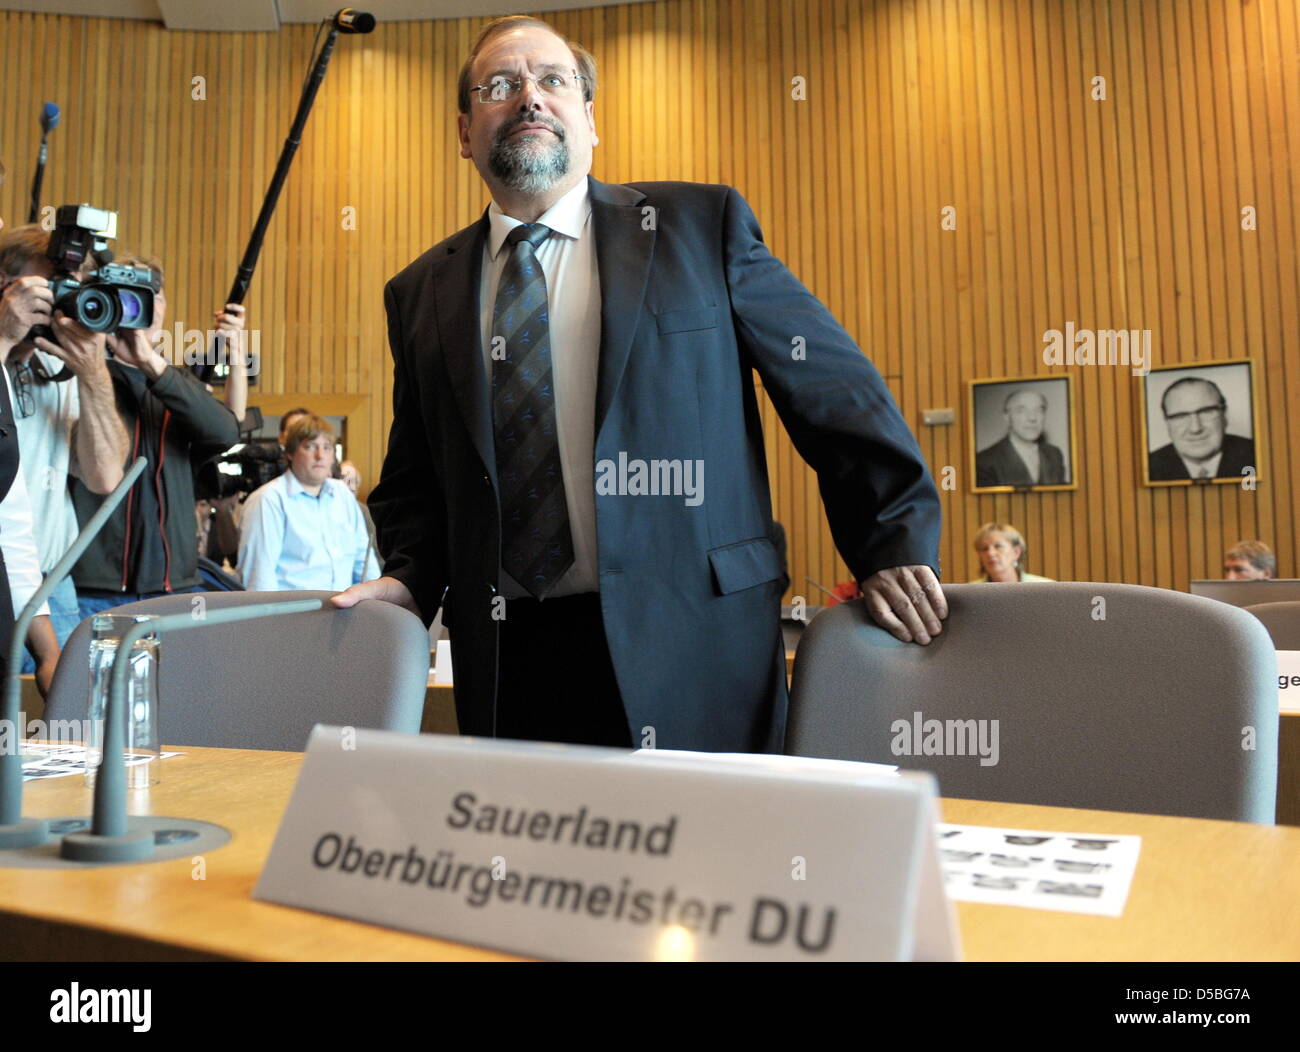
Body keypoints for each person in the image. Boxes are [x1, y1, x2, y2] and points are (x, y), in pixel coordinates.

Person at [335, 15, 946, 752]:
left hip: (698, 640)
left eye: (552, 80)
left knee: (715, 862)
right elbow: (419, 482)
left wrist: (891, 542)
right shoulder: (420, 293)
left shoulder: (698, 227)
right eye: (499, 85)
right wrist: (407, 578)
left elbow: (833, 389)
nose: (529, 96)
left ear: (590, 120)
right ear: (465, 131)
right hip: (512, 658)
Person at [70, 255, 243, 617]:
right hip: (92, 585)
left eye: (150, 295)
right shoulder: (79, 373)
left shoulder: (177, 385)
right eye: (124, 294)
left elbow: (227, 431)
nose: (137, 304)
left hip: (173, 585)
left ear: (162, 308)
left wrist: (151, 362)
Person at [0, 226, 131, 670]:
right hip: (4, 585)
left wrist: (93, 372)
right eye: (48, 290)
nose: (60, 307)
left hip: (55, 585)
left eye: (71, 292)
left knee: (63, 731)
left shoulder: (59, 363)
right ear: (5, 284)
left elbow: (105, 475)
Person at [237, 415, 379, 591]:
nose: (320, 455)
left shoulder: (343, 495)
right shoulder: (268, 500)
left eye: (327, 448)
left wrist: (374, 607)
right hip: (293, 615)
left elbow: (364, 561)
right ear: (290, 453)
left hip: (345, 611)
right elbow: (258, 580)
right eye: (310, 447)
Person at [1148, 376, 1256, 482]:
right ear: (1167, 422)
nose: (1195, 428)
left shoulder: (1257, 457)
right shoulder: (1148, 467)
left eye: (1206, 412)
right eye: (1180, 416)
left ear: (1224, 415)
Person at [975, 389, 1066, 487]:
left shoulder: (1055, 454)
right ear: (1007, 417)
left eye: (1039, 410)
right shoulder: (984, 462)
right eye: (1021, 411)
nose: (1032, 418)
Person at [967, 523, 1053, 583]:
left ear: (1016, 552)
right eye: (984, 549)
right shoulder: (968, 594)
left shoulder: (1046, 588)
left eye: (998, 546)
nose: (990, 553)